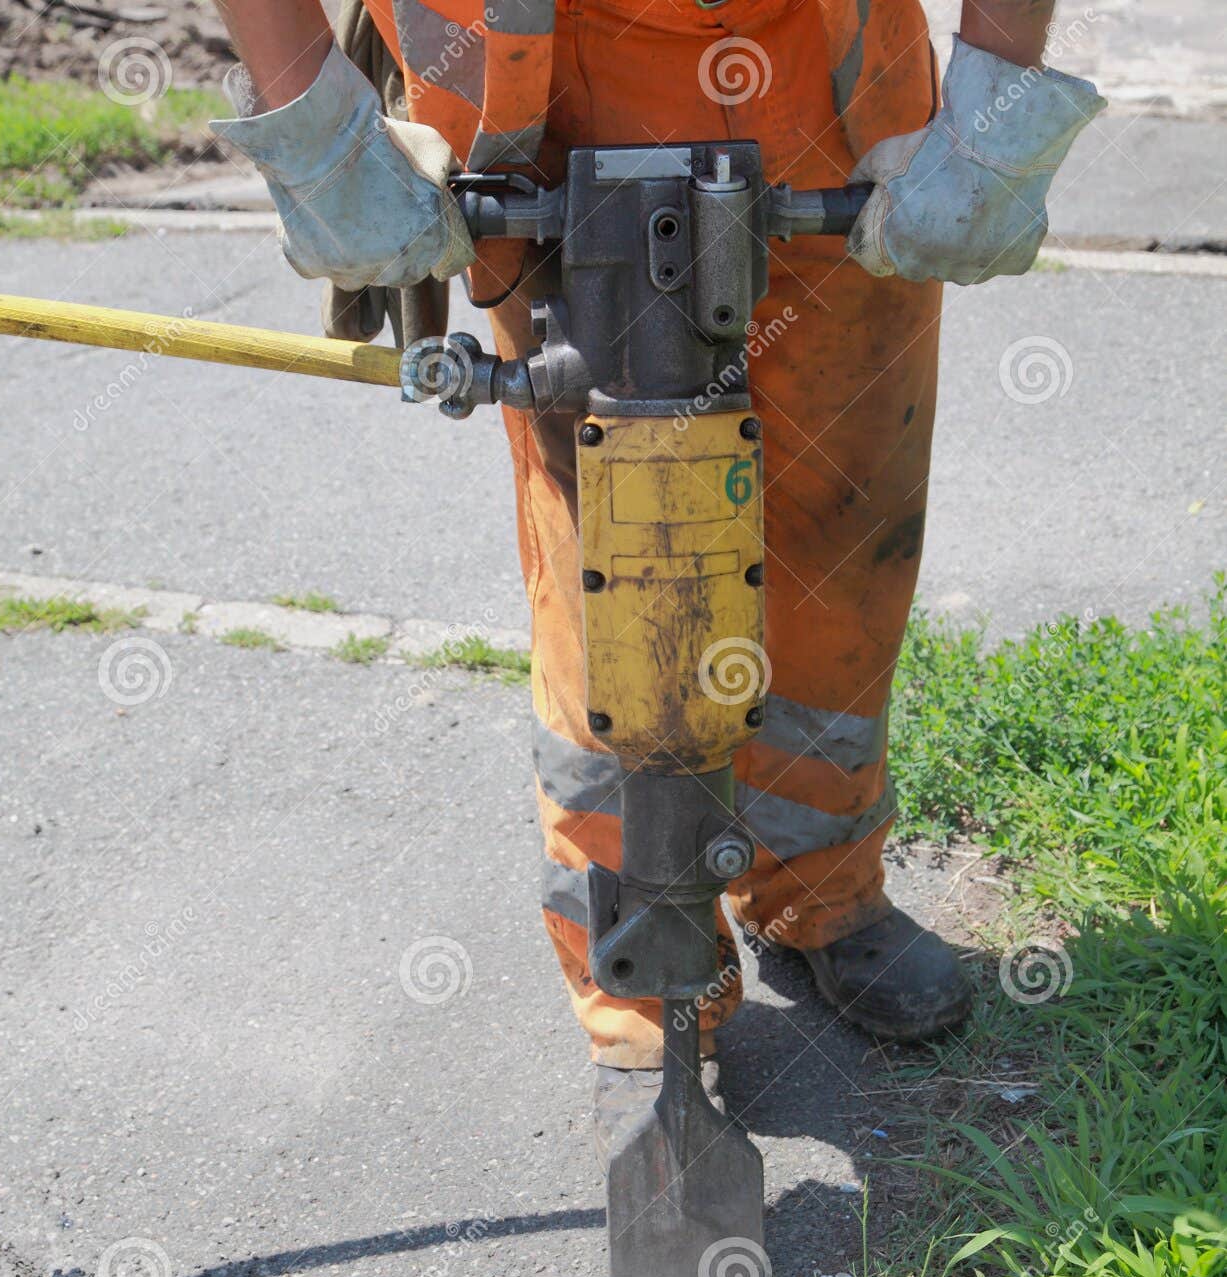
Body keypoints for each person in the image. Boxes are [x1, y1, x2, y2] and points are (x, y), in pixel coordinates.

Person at [209, 0, 1104, 1140]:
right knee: (616, 550)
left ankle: (818, 883)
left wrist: (995, 92)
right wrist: (316, 117)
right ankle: (639, 965)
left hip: (818, 62)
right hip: (523, 79)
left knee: (842, 523)